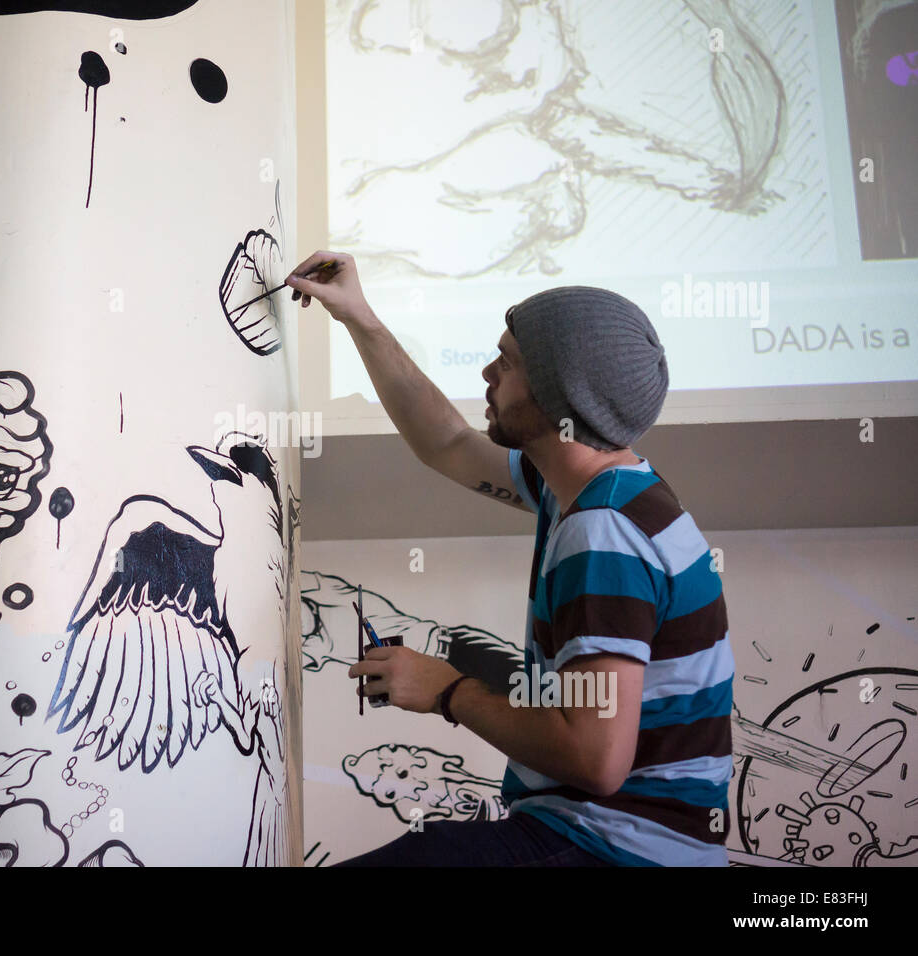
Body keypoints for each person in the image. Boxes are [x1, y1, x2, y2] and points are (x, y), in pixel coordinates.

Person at [284, 253, 733, 866]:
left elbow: (596, 761)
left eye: (510, 361)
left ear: (559, 398)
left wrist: (449, 690)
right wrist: (360, 319)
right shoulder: (596, 489)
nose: (489, 372)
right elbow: (446, 442)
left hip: (609, 850)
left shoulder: (604, 531)